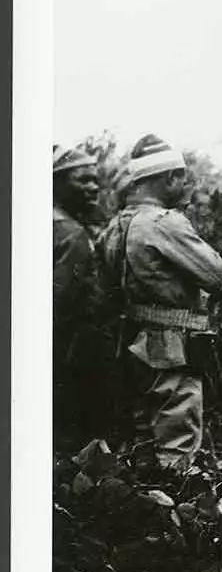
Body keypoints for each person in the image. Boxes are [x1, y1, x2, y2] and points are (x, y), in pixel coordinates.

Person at [98, 134, 222, 470]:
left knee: (144, 435)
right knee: (176, 441)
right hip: (172, 346)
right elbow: (216, 276)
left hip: (135, 342)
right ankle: (174, 509)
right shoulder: (163, 223)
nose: (184, 186)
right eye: (181, 178)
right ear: (168, 178)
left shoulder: (117, 224)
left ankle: (149, 507)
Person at [53, 145, 101, 445]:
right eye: (83, 181)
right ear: (56, 183)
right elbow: (61, 302)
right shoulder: (72, 235)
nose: (93, 188)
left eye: (95, 180)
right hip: (69, 356)